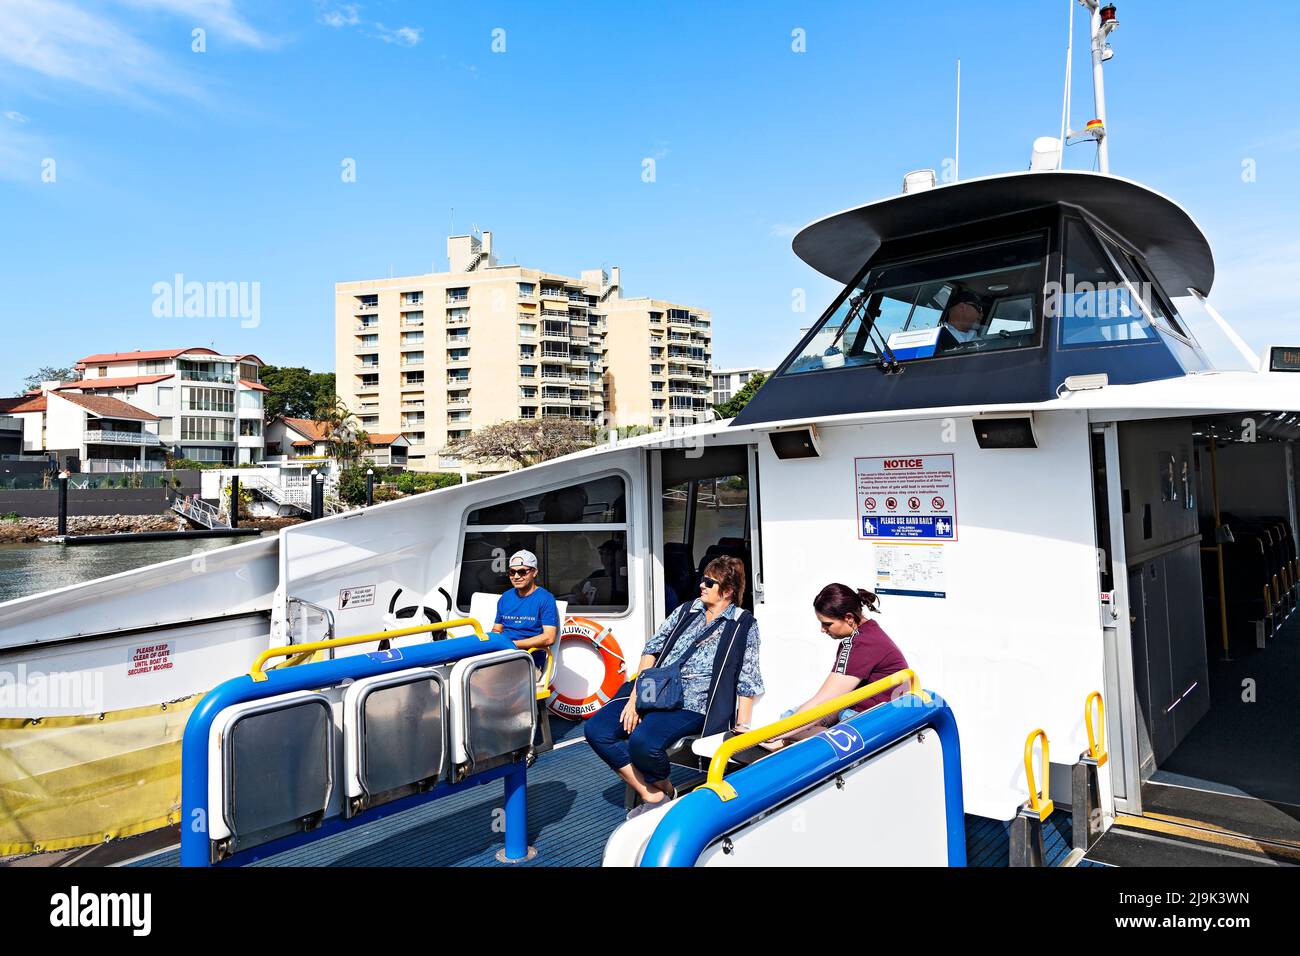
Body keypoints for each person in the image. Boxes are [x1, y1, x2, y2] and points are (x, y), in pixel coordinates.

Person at [584, 555, 763, 819]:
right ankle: (654, 794)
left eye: (708, 582)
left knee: (643, 742)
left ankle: (661, 790)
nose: (701, 585)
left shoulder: (743, 624)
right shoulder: (685, 610)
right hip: (652, 690)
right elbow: (651, 649)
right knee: (597, 730)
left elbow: (748, 676)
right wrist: (635, 698)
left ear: (727, 591)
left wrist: (743, 726)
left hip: (693, 703)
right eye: (702, 579)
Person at [761, 584, 908, 749]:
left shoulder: (862, 644)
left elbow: (822, 703)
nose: (823, 630)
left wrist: (770, 734)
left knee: (789, 723)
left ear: (849, 618)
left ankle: (783, 741)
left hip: (874, 721)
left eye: (827, 624)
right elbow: (833, 699)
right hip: (870, 712)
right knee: (790, 720)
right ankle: (786, 740)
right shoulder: (868, 632)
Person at [492, 549, 559, 670]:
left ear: (534, 572)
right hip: (502, 656)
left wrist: (513, 645)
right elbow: (497, 629)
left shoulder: (546, 599)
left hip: (529, 660)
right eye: (512, 572)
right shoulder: (505, 597)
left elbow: (549, 637)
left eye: (522, 572)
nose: (516, 576)